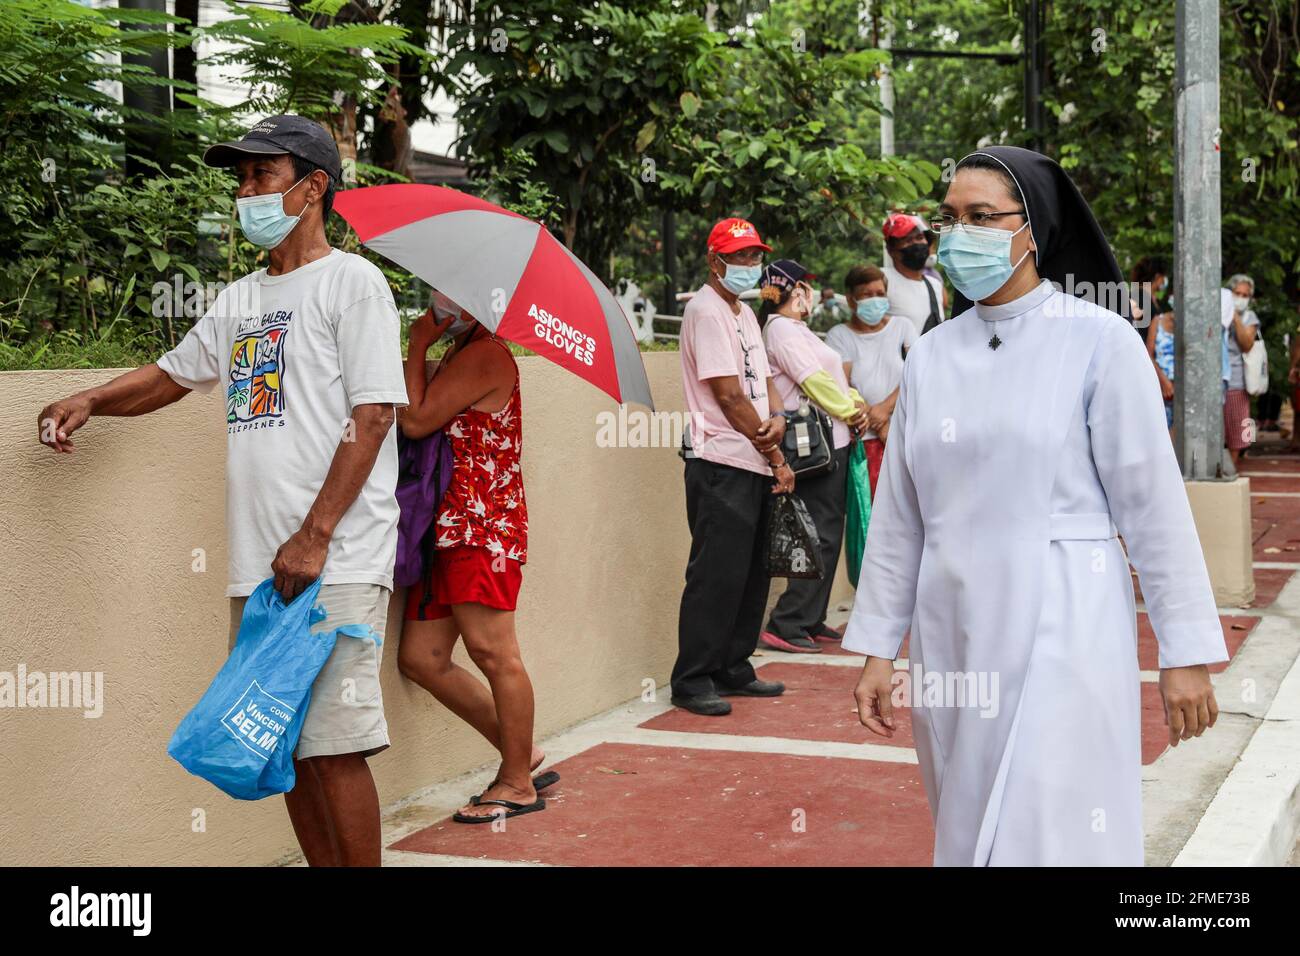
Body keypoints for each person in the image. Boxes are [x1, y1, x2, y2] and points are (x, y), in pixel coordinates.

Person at [37, 115, 409, 866]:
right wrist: (93, 401)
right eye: (239, 180)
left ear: (311, 189)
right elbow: (174, 376)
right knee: (286, 748)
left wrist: (315, 534)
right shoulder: (241, 298)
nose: (244, 194)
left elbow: (371, 418)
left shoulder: (353, 284)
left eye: (260, 177)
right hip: (264, 567)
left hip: (332, 560)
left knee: (334, 749)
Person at [848, 146, 1226, 866]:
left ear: (1033, 230)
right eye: (949, 219)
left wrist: (1186, 652)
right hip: (950, 629)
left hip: (1065, 616)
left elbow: (1152, 507)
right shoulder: (931, 356)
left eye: (981, 217)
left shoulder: (1099, 341)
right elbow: (901, 518)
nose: (958, 236)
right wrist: (876, 650)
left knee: (1054, 819)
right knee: (966, 818)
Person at [395, 291, 553, 824]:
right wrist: (428, 354)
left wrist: (417, 342)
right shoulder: (465, 353)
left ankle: (516, 784)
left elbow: (414, 421)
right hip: (447, 529)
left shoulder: (487, 354)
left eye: (454, 293)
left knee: (494, 652)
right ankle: (522, 755)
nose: (440, 300)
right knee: (422, 659)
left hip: (479, 528)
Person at [672, 217, 793, 716]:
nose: (749, 264)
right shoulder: (705, 311)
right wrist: (777, 455)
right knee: (716, 574)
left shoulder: (743, 311)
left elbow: (764, 382)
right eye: (739, 256)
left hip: (753, 459)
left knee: (750, 573)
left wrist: (781, 416)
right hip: (721, 459)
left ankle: (733, 666)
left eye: (753, 256)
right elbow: (725, 393)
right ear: (714, 260)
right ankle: (693, 678)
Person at [756, 260, 868, 653]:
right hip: (813, 446)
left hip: (831, 440)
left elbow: (834, 378)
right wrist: (849, 410)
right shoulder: (781, 329)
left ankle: (811, 617)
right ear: (791, 290)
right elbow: (812, 381)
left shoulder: (799, 329)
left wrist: (854, 402)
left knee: (828, 530)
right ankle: (787, 622)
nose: (810, 294)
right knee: (816, 533)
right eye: (804, 286)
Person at [826, 264, 917, 496]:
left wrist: (885, 410)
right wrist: (878, 422)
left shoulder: (902, 327)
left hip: (905, 434)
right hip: (864, 440)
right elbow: (841, 385)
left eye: (880, 294)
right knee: (872, 514)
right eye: (867, 295)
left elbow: (918, 373)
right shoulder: (839, 336)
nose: (875, 300)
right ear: (851, 299)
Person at [882, 212, 947, 337]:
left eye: (919, 238)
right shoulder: (882, 280)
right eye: (908, 240)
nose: (916, 244)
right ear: (892, 250)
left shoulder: (935, 284)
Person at [1223, 273, 1260, 467]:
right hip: (1215, 379)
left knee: (1237, 430)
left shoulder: (1250, 317)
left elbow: (1247, 344)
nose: (1241, 298)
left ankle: (1232, 468)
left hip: (1237, 380)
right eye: (1237, 293)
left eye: (1245, 295)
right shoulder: (1219, 310)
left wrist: (1235, 317)